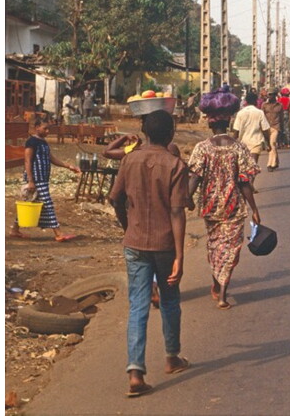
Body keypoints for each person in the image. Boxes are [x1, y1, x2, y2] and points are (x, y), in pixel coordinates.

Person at [107, 109, 192, 397]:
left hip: (135, 243)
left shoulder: (129, 159)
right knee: (169, 301)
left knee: (138, 306)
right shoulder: (175, 164)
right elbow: (178, 212)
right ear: (170, 134)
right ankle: (171, 357)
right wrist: (180, 256)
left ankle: (135, 372)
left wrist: (127, 226)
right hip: (165, 244)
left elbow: (114, 198)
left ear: (145, 133)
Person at [187, 86, 262, 310]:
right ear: (228, 122)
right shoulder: (239, 148)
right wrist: (255, 209)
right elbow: (245, 182)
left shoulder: (201, 148)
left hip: (210, 208)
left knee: (215, 246)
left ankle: (217, 283)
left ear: (210, 123)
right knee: (230, 250)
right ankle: (222, 293)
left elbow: (194, 178)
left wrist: (187, 199)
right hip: (234, 208)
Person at [11, 114, 82, 240]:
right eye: (45, 129)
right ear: (37, 127)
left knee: (29, 202)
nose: (47, 131)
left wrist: (68, 166)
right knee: (48, 204)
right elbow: (27, 161)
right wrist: (31, 180)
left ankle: (15, 229)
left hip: (43, 178)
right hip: (36, 179)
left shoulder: (43, 142)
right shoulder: (31, 142)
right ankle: (58, 233)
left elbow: (51, 158)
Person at [231, 90, 270, 166]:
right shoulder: (259, 112)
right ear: (256, 101)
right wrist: (268, 143)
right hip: (256, 143)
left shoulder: (240, 113)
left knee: (244, 167)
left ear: (246, 101)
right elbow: (265, 129)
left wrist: (231, 144)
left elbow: (236, 131)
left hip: (243, 144)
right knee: (253, 167)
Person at [262, 91, 283, 170]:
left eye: (271, 94)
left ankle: (270, 164)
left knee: (272, 143)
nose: (270, 96)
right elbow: (262, 117)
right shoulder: (264, 105)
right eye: (269, 95)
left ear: (275, 95)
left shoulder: (279, 105)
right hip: (266, 127)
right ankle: (276, 162)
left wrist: (282, 130)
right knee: (270, 146)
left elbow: (281, 118)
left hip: (275, 126)